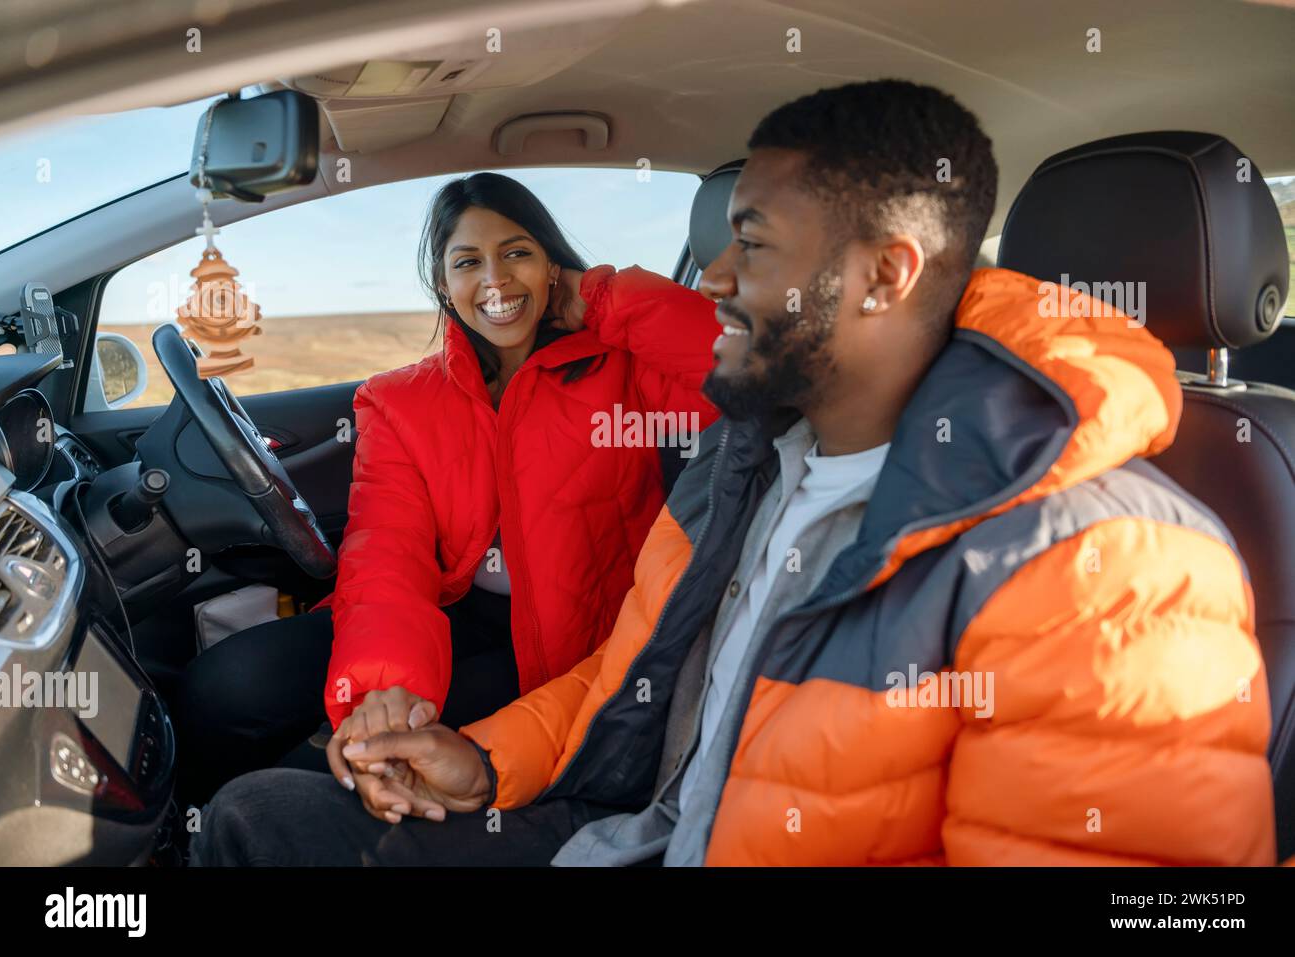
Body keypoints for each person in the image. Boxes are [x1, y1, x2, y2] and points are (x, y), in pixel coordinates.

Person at [190, 80, 1275, 866]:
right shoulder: (747, 466)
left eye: (748, 245)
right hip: (619, 822)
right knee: (252, 821)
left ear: (882, 277)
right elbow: (629, 680)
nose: (706, 275)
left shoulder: (1107, 559)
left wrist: (594, 297)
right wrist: (480, 762)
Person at [175, 172, 721, 808]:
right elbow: (387, 548)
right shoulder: (399, 400)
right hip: (450, 615)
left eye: (517, 253)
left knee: (325, 777)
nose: (495, 280)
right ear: (442, 283)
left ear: (552, 265)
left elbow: (739, 369)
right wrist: (385, 686)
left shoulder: (622, 370)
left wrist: (599, 296)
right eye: (468, 262)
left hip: (572, 639)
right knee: (225, 685)